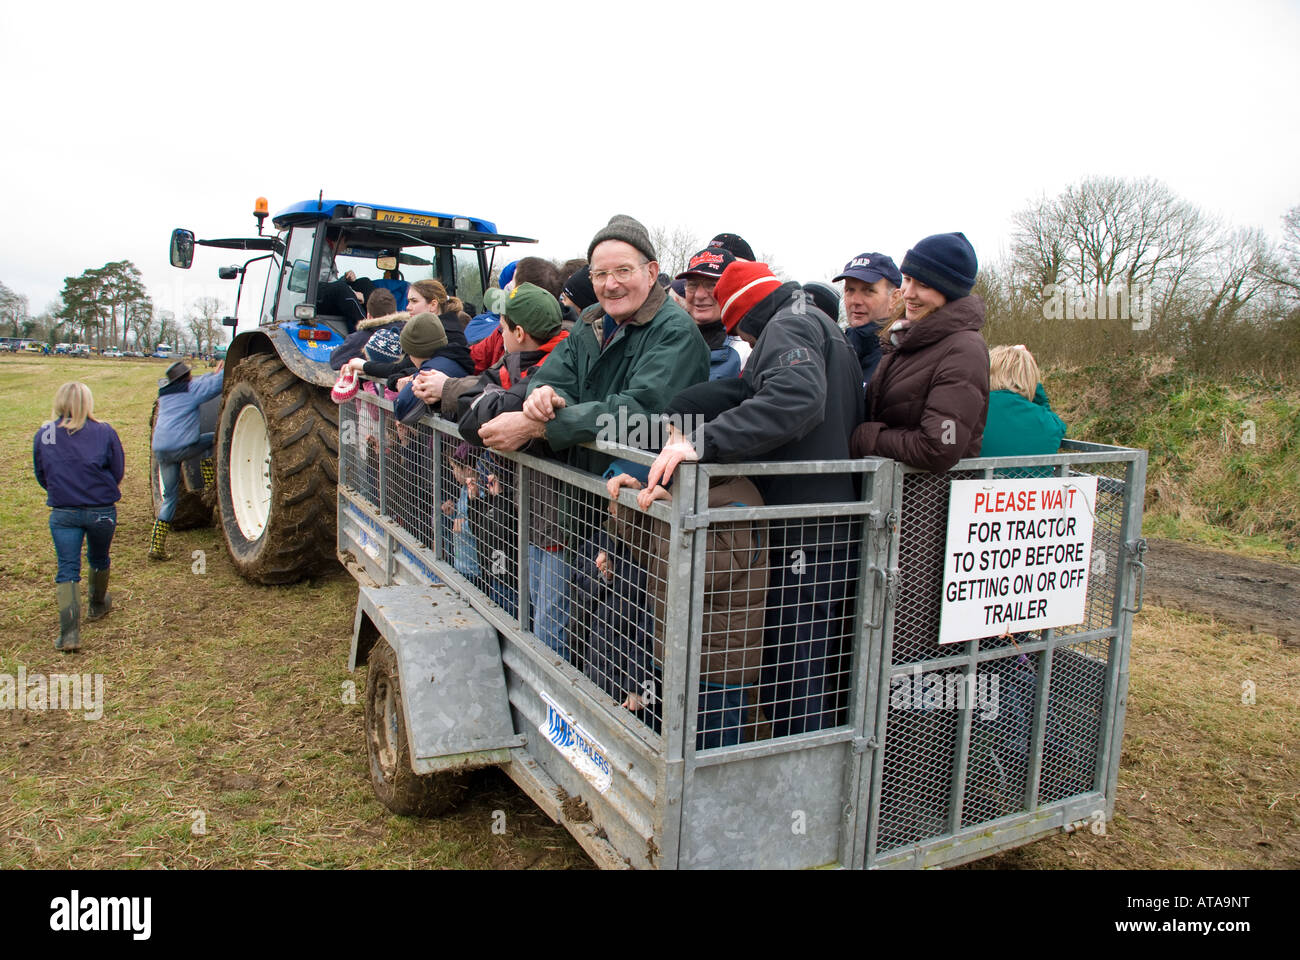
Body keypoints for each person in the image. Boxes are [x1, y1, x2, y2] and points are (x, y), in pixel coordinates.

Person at [642, 259, 864, 738]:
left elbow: (796, 398)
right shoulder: (818, 322)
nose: (743, 341)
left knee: (797, 670)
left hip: (806, 527)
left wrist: (702, 442)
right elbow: (772, 392)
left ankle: (794, 781)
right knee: (809, 666)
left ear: (746, 314)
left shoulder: (787, 325)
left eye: (741, 332)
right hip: (823, 521)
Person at [476, 215, 710, 658]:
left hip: (633, 511)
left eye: (623, 270)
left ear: (651, 272)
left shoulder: (676, 333)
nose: (611, 284)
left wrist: (540, 425)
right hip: (575, 500)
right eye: (600, 273)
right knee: (557, 618)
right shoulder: (590, 322)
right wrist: (543, 394)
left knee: (607, 636)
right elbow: (553, 373)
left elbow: (638, 411)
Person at [850, 232, 989, 471]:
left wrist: (866, 438)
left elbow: (943, 444)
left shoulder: (964, 351)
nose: (908, 292)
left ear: (950, 291)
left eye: (923, 285)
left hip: (926, 503)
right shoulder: (907, 338)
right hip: (893, 497)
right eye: (907, 279)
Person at [33, 382, 125, 652]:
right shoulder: (105, 431)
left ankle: (70, 633)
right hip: (101, 510)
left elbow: (42, 472)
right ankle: (97, 605)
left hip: (64, 511)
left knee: (67, 568)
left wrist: (62, 490)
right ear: (88, 402)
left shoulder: (46, 432)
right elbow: (117, 470)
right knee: (99, 558)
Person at [150, 360, 224, 560]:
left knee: (170, 497)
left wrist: (211, 374)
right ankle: (210, 486)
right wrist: (222, 371)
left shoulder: (165, 394)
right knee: (213, 439)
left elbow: (204, 382)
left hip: (161, 451)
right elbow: (217, 384)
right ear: (188, 377)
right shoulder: (192, 391)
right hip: (182, 448)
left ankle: (157, 546)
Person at [980, 345, 1067, 457]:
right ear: (1031, 378)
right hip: (1036, 475)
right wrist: (1036, 388)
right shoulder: (1050, 422)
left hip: (980, 474)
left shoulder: (973, 411)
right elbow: (1050, 420)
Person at [835, 252, 902, 388]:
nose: (855, 301)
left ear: (895, 298)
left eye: (868, 291)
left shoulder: (901, 358)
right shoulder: (834, 350)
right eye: (850, 290)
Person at [676, 247, 743, 380]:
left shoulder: (747, 348)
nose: (700, 295)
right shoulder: (667, 336)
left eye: (712, 285)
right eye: (692, 284)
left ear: (734, 288)